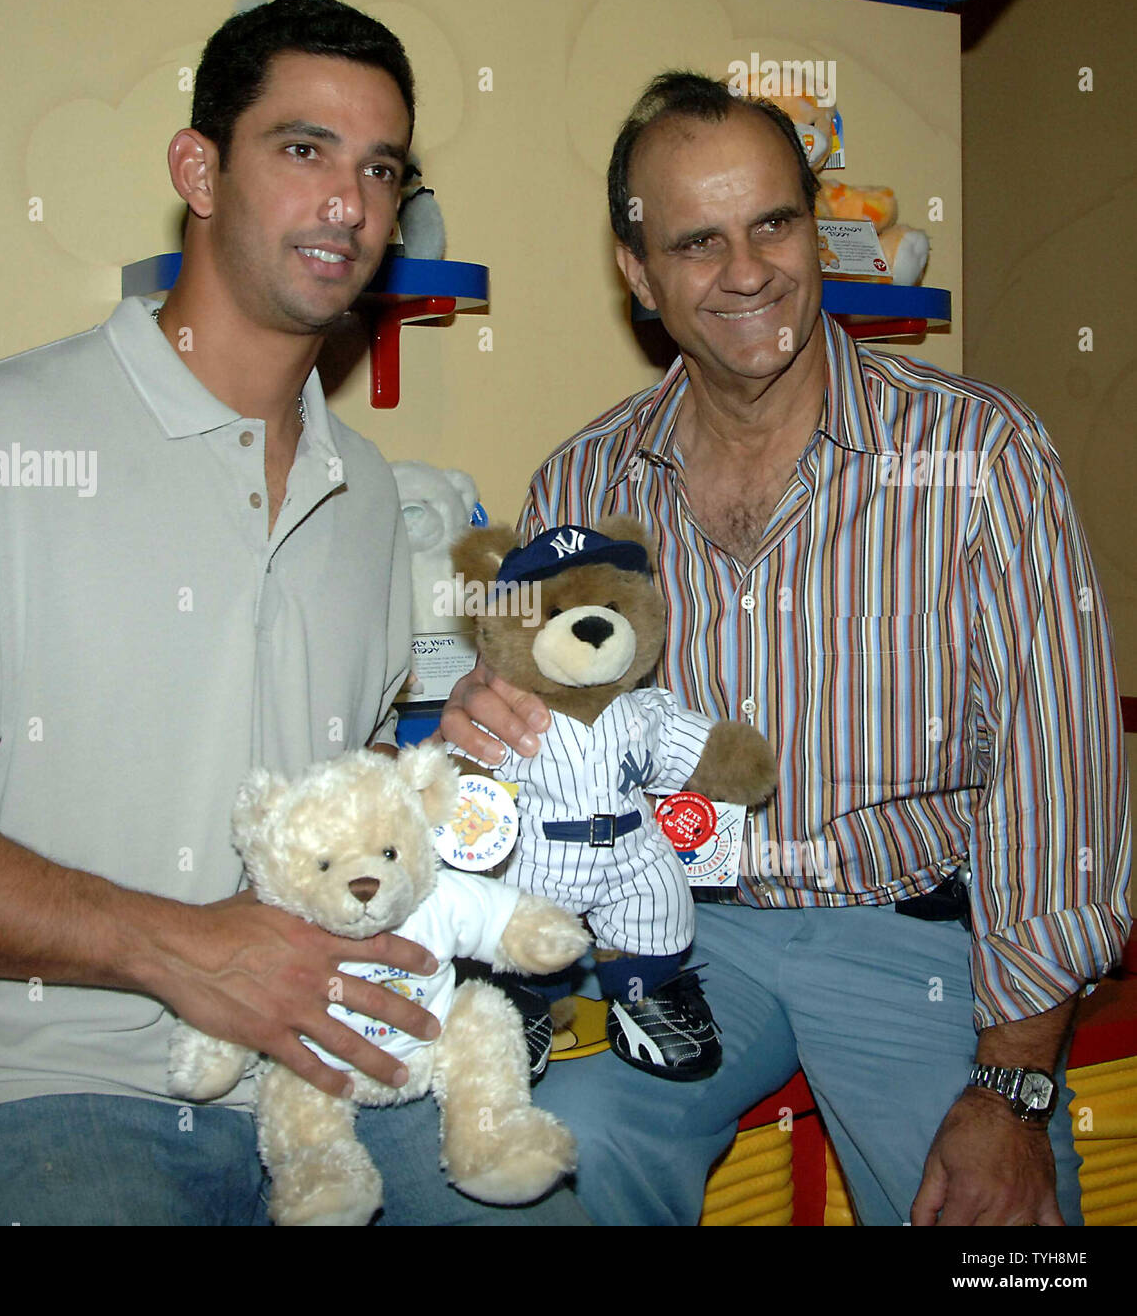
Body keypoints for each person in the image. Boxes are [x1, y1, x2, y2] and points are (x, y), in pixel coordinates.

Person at [0, 0, 584, 1226]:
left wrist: (455, 749)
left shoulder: (367, 503)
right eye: (303, 150)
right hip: (33, 1090)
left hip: (327, 1083)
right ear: (198, 168)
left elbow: (321, 808)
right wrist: (184, 947)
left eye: (379, 168)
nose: (346, 201)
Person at [441, 72, 1133, 1226]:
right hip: (682, 932)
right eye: (697, 240)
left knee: (992, 1226)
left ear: (816, 230)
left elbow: (1056, 779)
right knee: (554, 1150)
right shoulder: (583, 484)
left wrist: (1011, 1079)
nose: (748, 270)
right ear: (638, 271)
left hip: (924, 946)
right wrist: (487, 728)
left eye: (774, 222)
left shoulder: (977, 455)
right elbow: (553, 744)